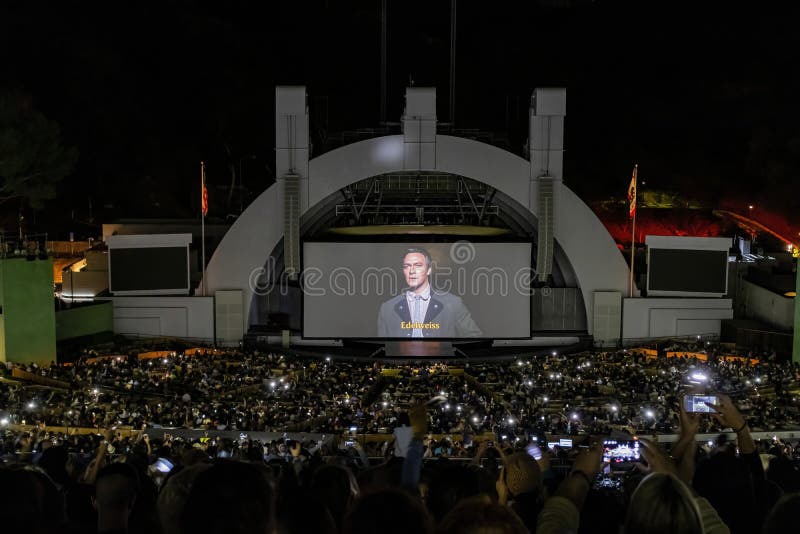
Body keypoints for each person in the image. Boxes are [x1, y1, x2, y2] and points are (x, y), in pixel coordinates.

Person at [376, 247, 482, 338]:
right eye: (407, 266)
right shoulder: (387, 308)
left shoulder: (453, 303)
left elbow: (474, 338)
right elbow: (383, 348)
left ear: (429, 270)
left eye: (418, 265)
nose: (411, 271)